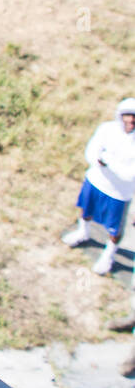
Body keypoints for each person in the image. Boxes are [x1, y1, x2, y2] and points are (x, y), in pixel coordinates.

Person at [62, 98, 135, 275]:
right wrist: (100, 160)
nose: (131, 122)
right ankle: (83, 232)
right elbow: (92, 152)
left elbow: (129, 174)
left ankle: (108, 255)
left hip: (119, 194)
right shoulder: (107, 129)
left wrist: (107, 160)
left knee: (114, 229)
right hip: (95, 182)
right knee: (85, 211)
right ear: (121, 115)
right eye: (128, 117)